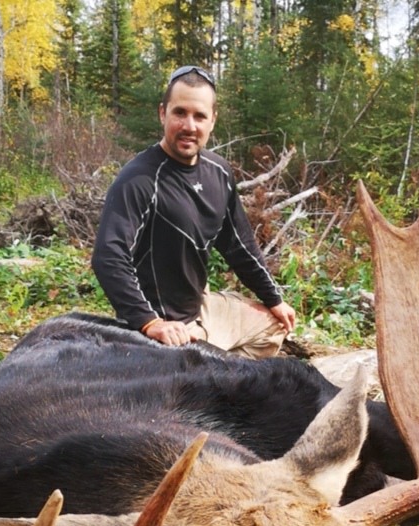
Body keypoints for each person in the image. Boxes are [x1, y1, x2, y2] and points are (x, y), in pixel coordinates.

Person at [92, 65, 296, 358]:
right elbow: (108, 256)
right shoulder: (139, 179)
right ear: (163, 113)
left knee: (276, 325)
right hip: (160, 331)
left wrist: (273, 298)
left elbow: (240, 247)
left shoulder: (219, 172)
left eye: (199, 116)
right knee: (191, 368)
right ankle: (204, 356)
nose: (189, 126)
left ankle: (204, 344)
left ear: (212, 120)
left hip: (200, 312)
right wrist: (150, 323)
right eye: (180, 113)